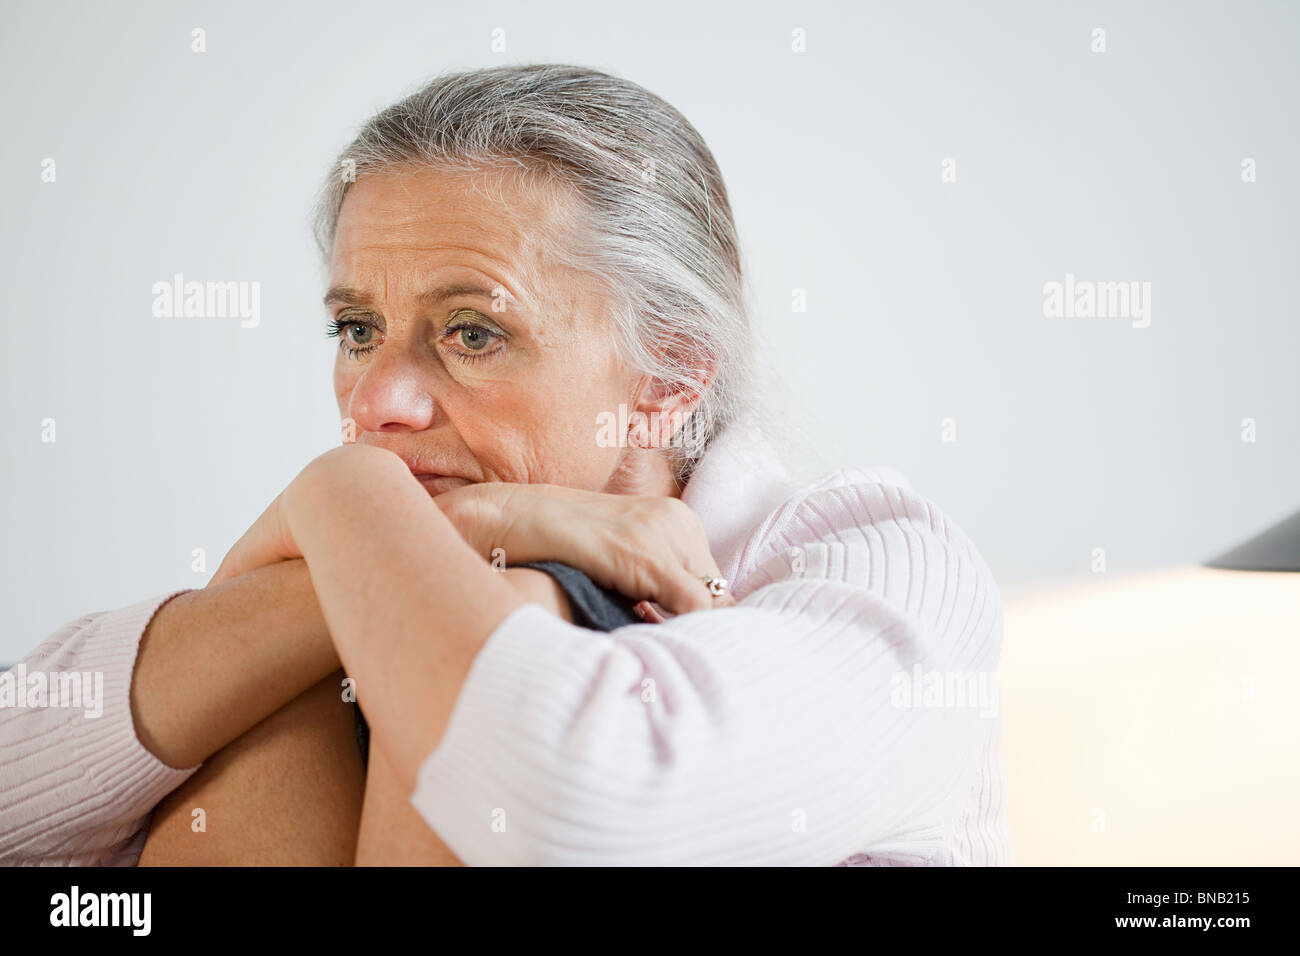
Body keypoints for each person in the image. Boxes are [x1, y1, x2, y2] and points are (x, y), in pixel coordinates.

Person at [0, 63, 1011, 866]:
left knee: (514, 620)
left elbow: (559, 798)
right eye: (357, 327)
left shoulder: (885, 562)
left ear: (668, 373)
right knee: (286, 693)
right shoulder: (359, 555)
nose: (374, 405)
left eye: (472, 333)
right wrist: (413, 541)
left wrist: (343, 497)